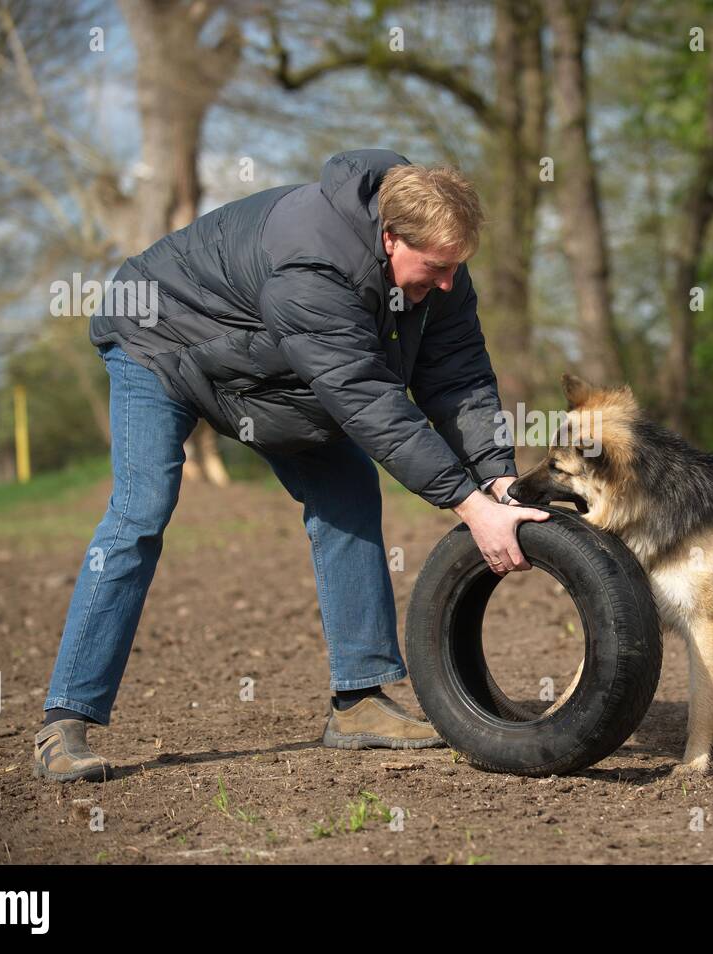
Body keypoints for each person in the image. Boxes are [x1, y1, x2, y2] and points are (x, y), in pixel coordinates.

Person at [34, 149, 549, 783]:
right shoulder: (314, 264)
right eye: (437, 268)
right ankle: (65, 720)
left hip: (262, 362)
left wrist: (497, 477)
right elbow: (366, 399)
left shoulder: (438, 271)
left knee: (348, 490)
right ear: (391, 237)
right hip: (158, 339)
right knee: (142, 510)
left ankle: (359, 702)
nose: (447, 283)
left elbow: (459, 376)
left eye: (456, 268)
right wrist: (468, 506)